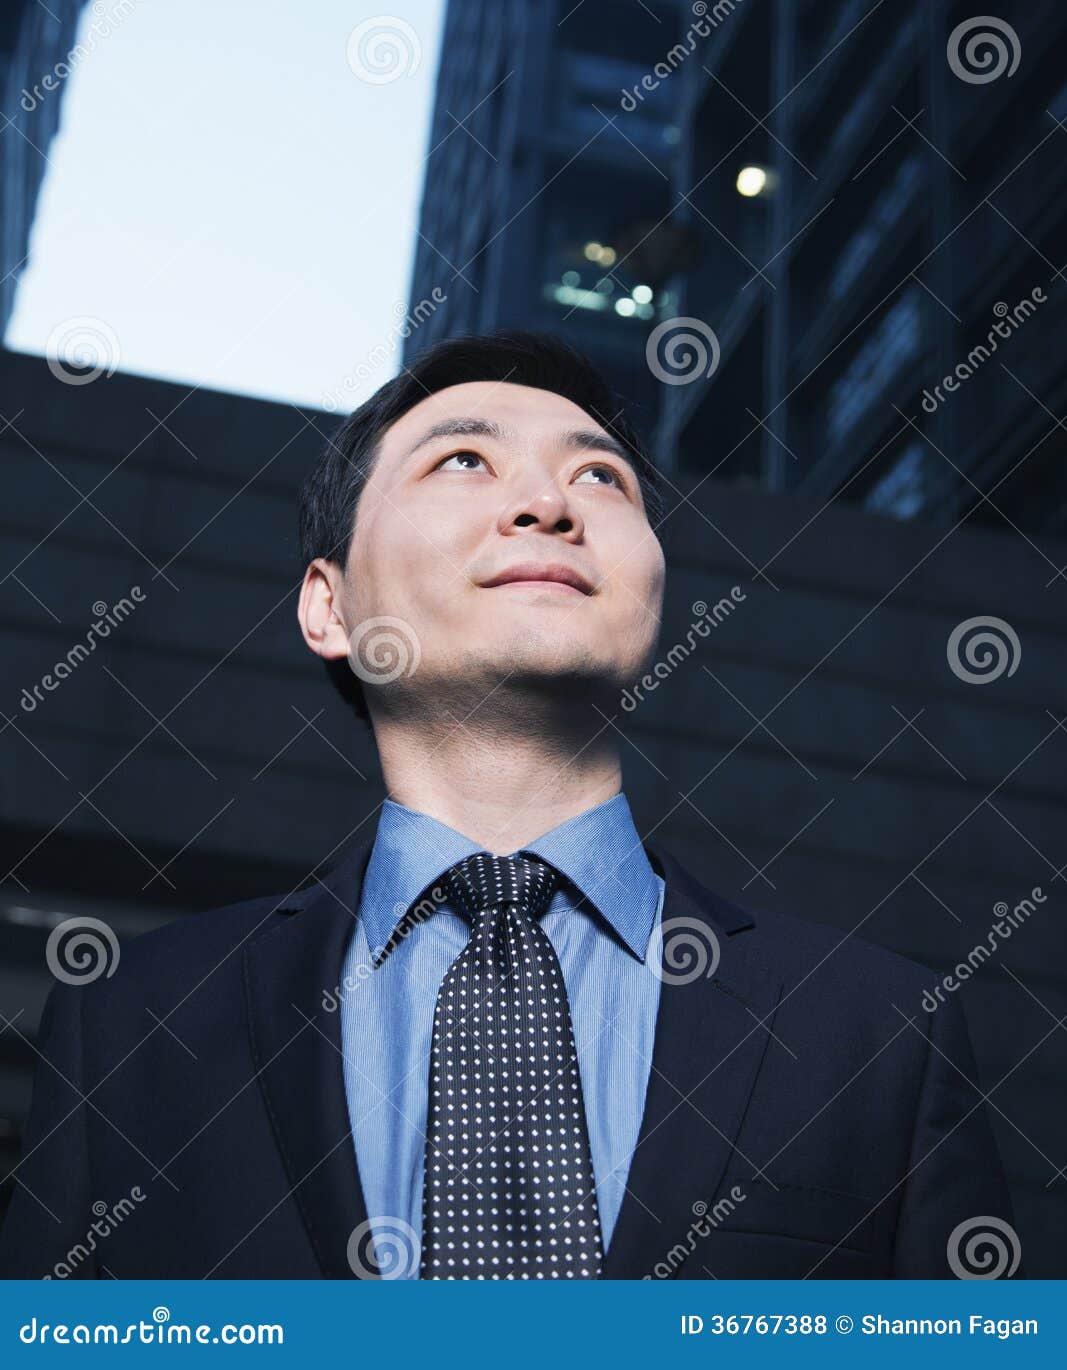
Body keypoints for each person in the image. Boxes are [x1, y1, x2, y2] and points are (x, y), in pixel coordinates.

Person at [0, 331, 1016, 1280]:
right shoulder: (139, 1020)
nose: (546, 503)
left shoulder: (877, 1028)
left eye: (599, 477)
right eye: (462, 462)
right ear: (331, 604)